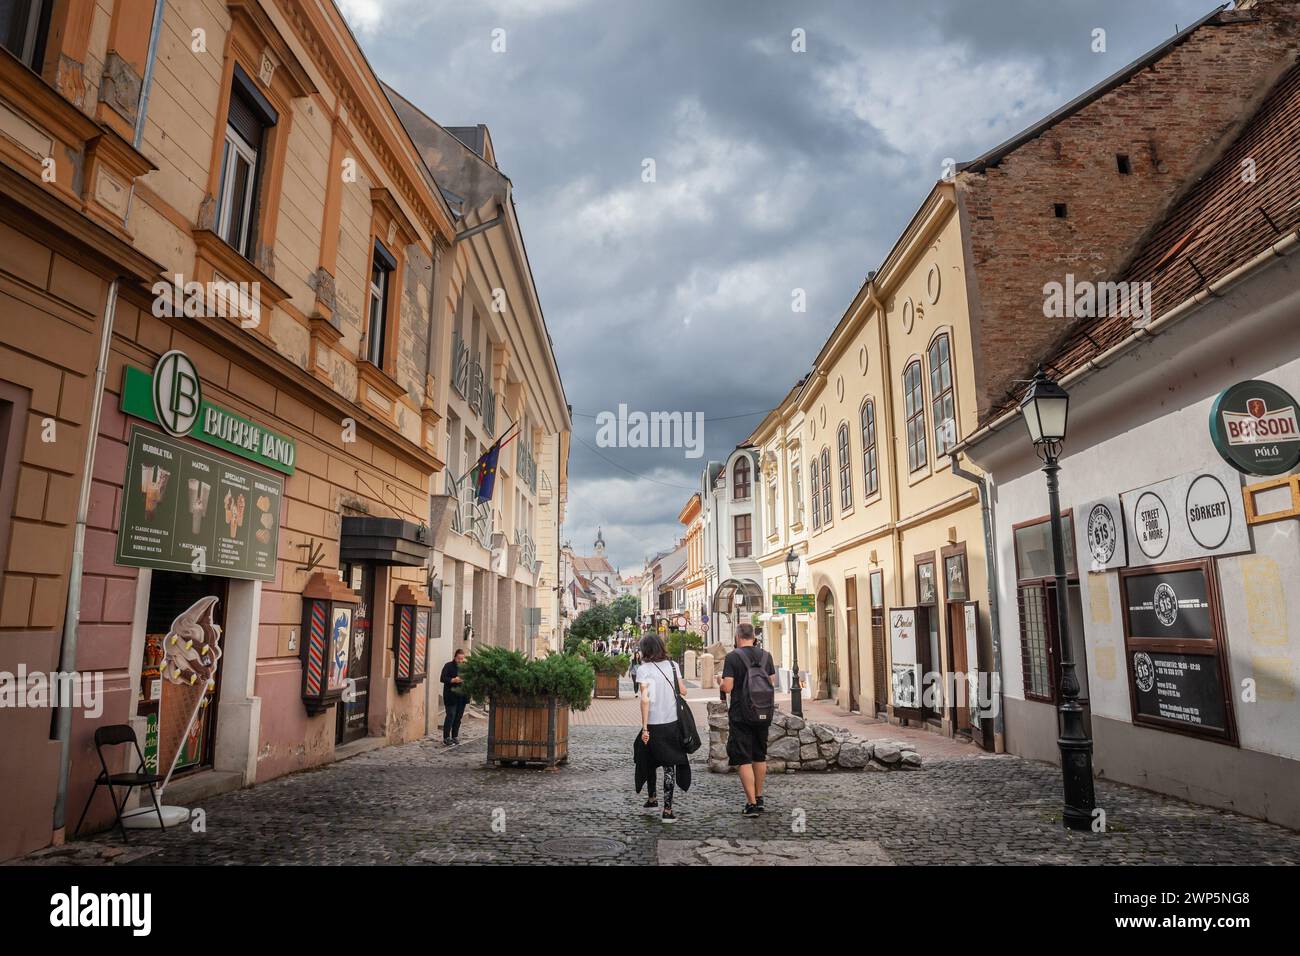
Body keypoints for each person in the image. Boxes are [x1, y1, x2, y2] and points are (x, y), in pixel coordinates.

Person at [719, 622, 776, 817]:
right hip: (763, 712)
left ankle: (751, 804)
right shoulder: (766, 656)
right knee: (760, 755)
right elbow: (771, 682)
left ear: (737, 637)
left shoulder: (733, 657)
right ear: (754, 636)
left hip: (741, 714)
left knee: (744, 758)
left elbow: (728, 687)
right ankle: (759, 798)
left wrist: (720, 682)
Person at [633, 634, 690, 823]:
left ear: (645, 650)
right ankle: (667, 810)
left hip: (654, 723)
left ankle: (652, 798)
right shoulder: (673, 666)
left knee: (647, 758)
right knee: (669, 765)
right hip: (672, 723)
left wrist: (645, 728)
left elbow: (645, 699)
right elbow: (683, 691)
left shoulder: (644, 670)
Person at [440, 648, 468, 745]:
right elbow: (443, 678)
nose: (460, 661)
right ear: (455, 657)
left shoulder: (466, 667)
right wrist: (453, 680)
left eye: (462, 659)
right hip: (450, 695)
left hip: (462, 696)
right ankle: (446, 737)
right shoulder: (448, 666)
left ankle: (455, 736)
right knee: (451, 715)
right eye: (458, 659)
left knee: (458, 717)